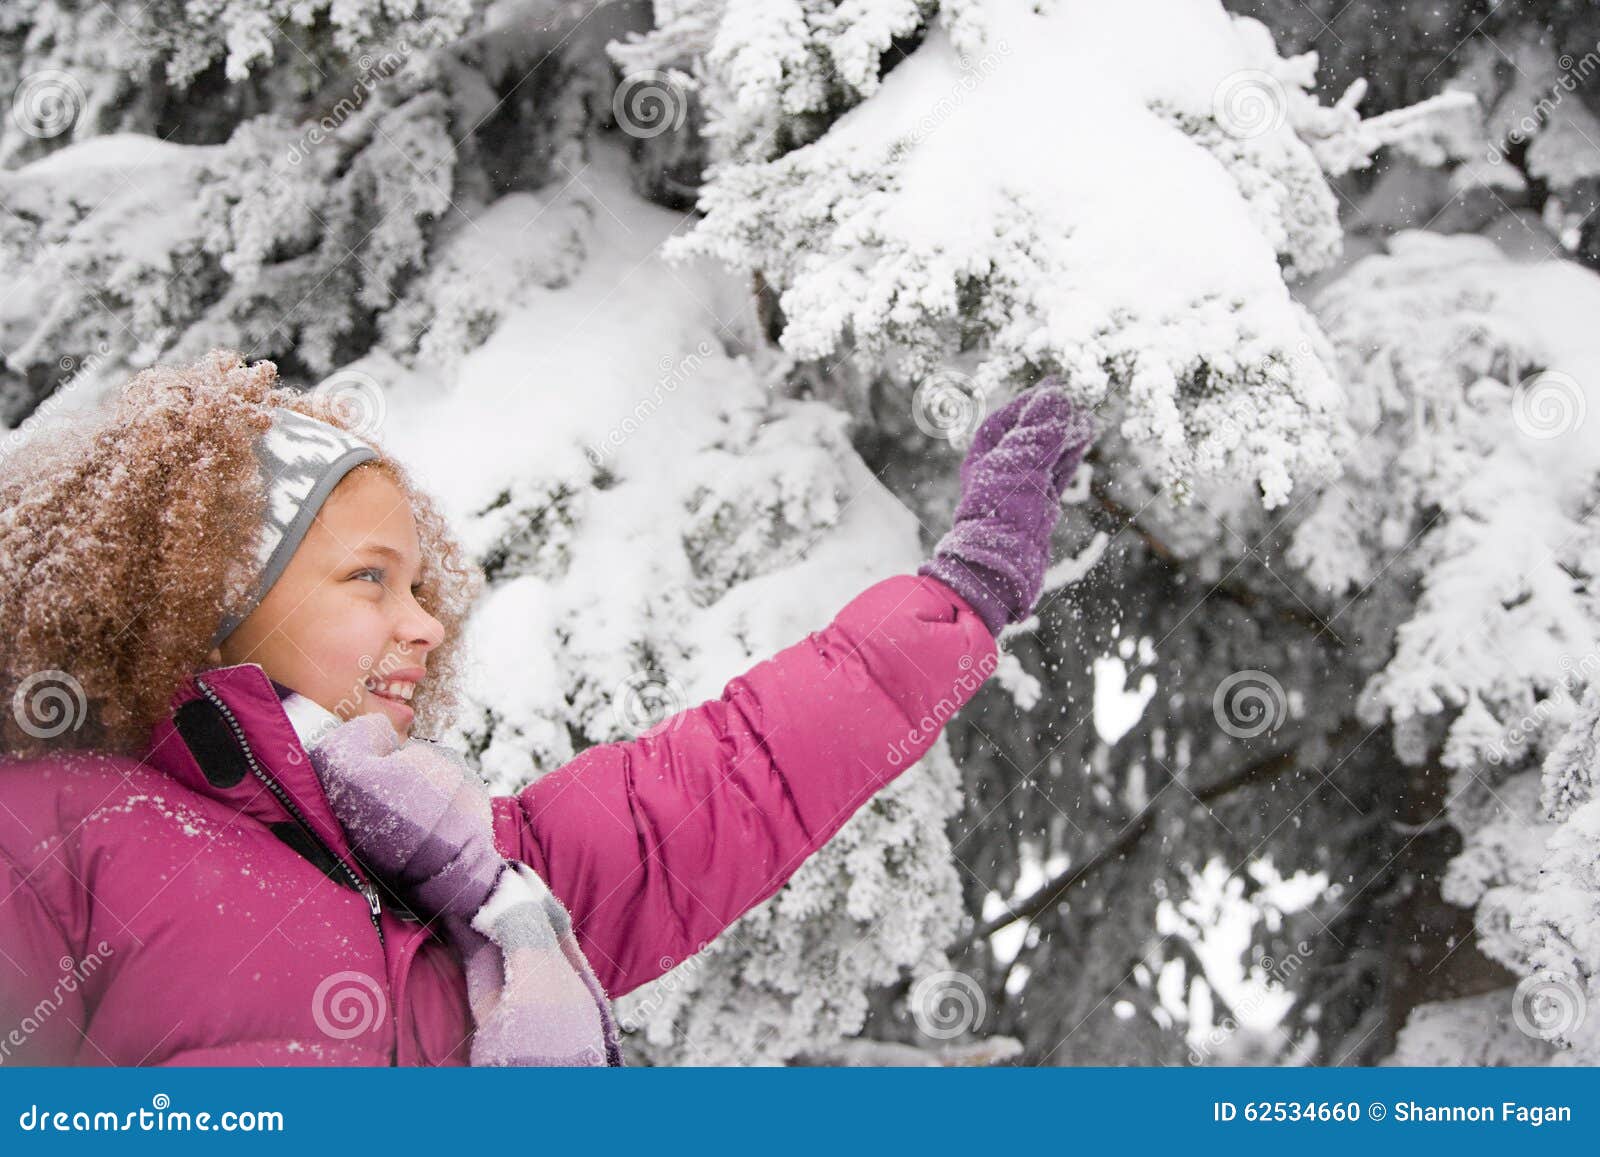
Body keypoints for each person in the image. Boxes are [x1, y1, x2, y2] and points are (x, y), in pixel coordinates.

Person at [0, 348, 1094, 1066]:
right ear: (207, 595)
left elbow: (726, 780)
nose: (425, 625)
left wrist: (964, 593)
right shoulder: (54, 834)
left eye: (424, 588)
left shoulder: (459, 873)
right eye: (371, 578)